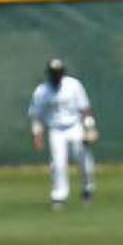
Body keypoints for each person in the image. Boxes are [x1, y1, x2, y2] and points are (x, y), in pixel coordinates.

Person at [27, 58, 97, 208]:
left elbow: (84, 108)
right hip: (56, 130)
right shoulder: (41, 91)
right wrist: (37, 135)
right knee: (58, 163)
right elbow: (36, 116)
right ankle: (59, 196)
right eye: (54, 72)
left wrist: (90, 128)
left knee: (83, 159)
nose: (56, 75)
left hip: (75, 126)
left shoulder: (73, 85)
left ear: (63, 72)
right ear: (49, 73)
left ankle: (87, 189)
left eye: (58, 72)